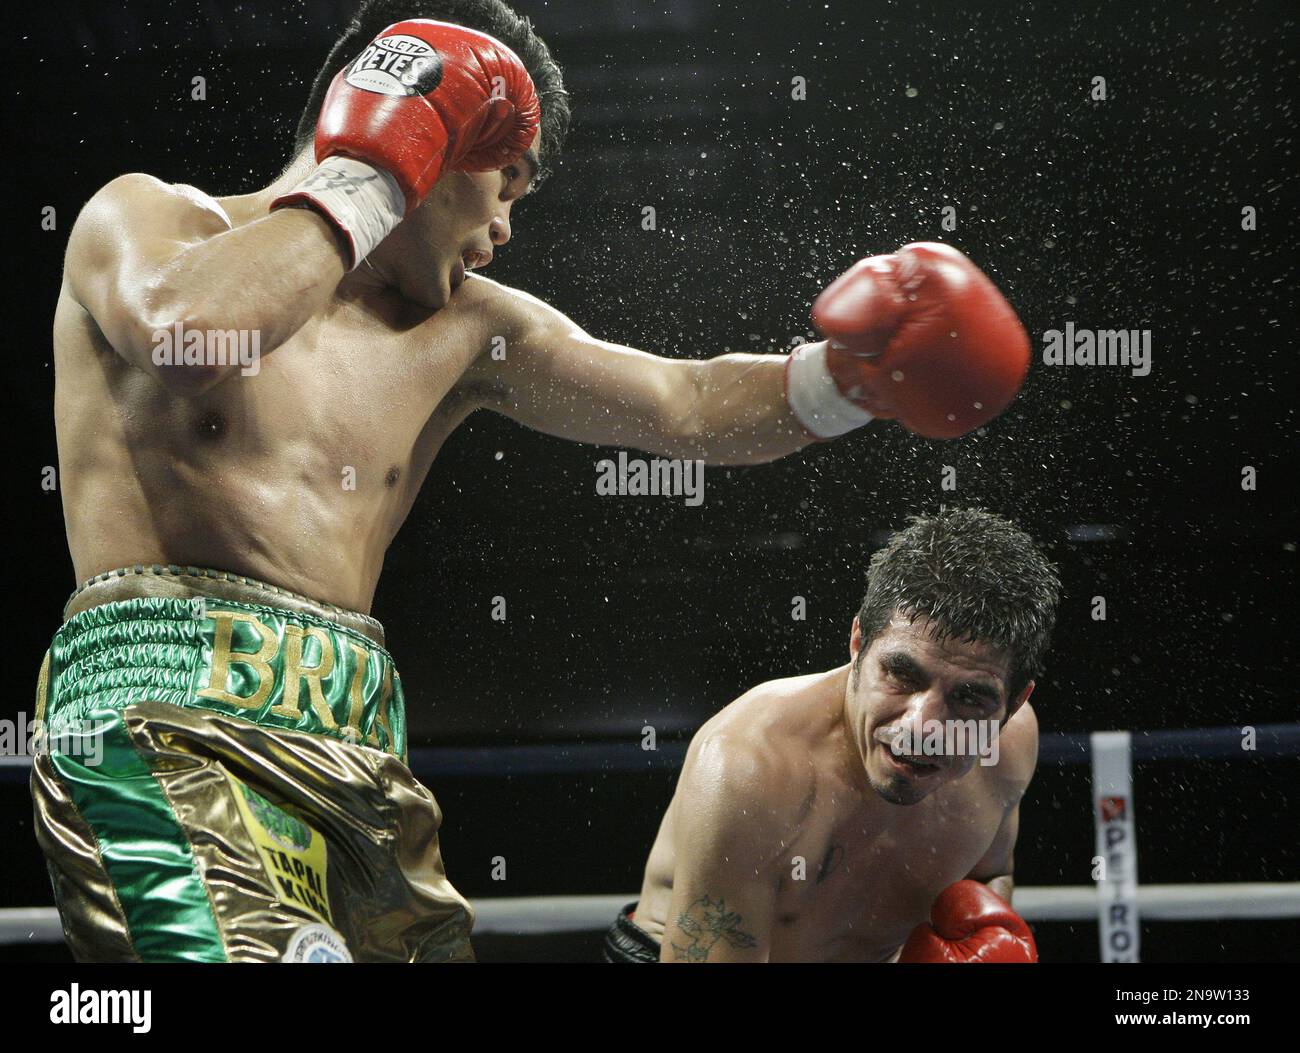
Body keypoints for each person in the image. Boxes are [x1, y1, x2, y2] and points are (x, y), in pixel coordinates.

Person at [35, 0, 1031, 962]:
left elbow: (682, 407)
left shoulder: (470, 330)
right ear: (429, 134)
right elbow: (183, 334)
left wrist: (855, 378)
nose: (508, 225)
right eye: (505, 180)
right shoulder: (153, 218)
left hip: (357, 745)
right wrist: (370, 174)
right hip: (165, 716)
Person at [607, 508, 1057, 962]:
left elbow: (987, 879)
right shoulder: (750, 765)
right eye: (902, 674)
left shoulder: (1010, 747)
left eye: (969, 699)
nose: (924, 728)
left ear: (1015, 703)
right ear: (858, 642)